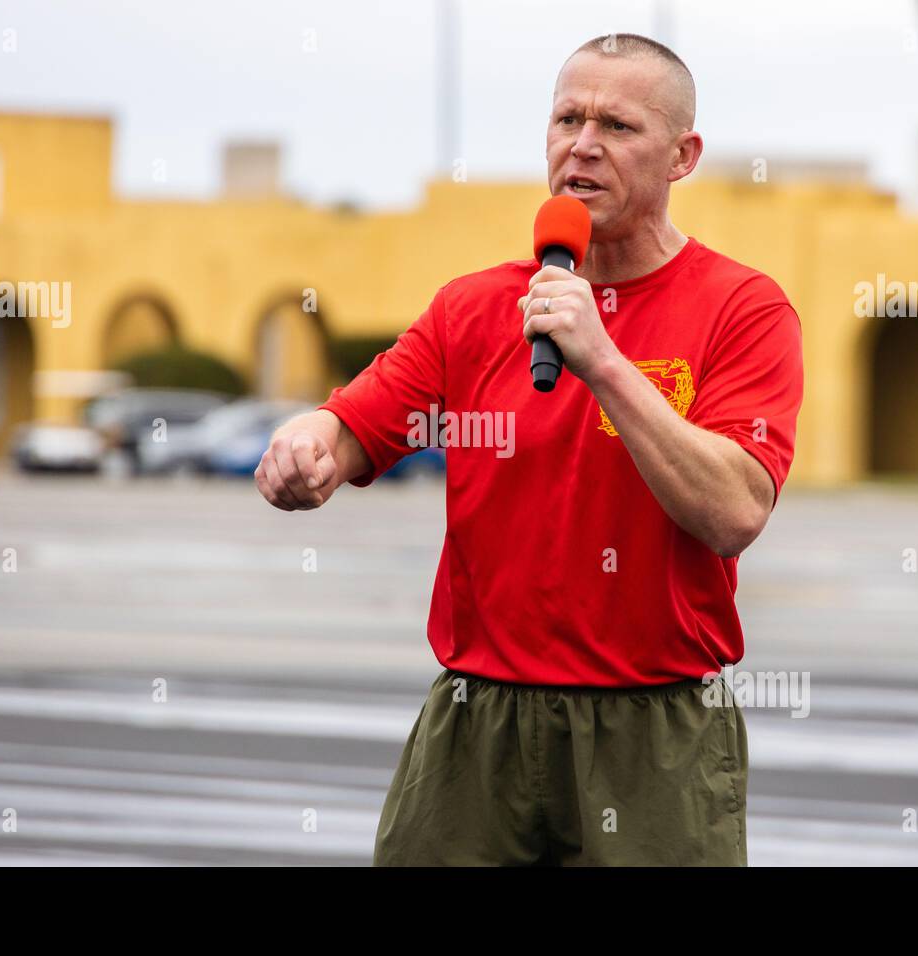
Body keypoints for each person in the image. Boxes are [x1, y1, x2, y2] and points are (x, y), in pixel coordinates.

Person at [255, 34, 804, 865]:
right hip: (479, 725)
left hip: (650, 735)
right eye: (566, 119)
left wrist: (605, 363)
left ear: (683, 156)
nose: (582, 144)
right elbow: (354, 426)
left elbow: (733, 511)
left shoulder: (744, 309)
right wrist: (306, 443)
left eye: (617, 126)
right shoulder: (473, 309)